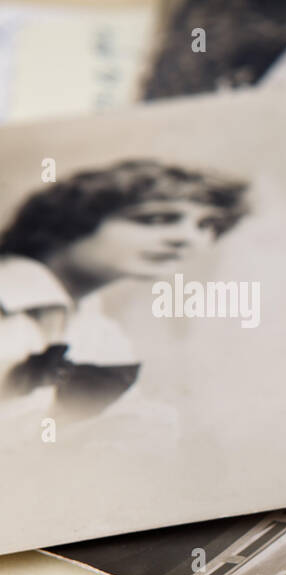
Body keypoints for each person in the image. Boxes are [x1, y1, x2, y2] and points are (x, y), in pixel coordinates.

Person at [0, 158, 248, 423]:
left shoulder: (100, 332)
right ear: (67, 223)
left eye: (208, 226)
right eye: (155, 219)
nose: (190, 239)